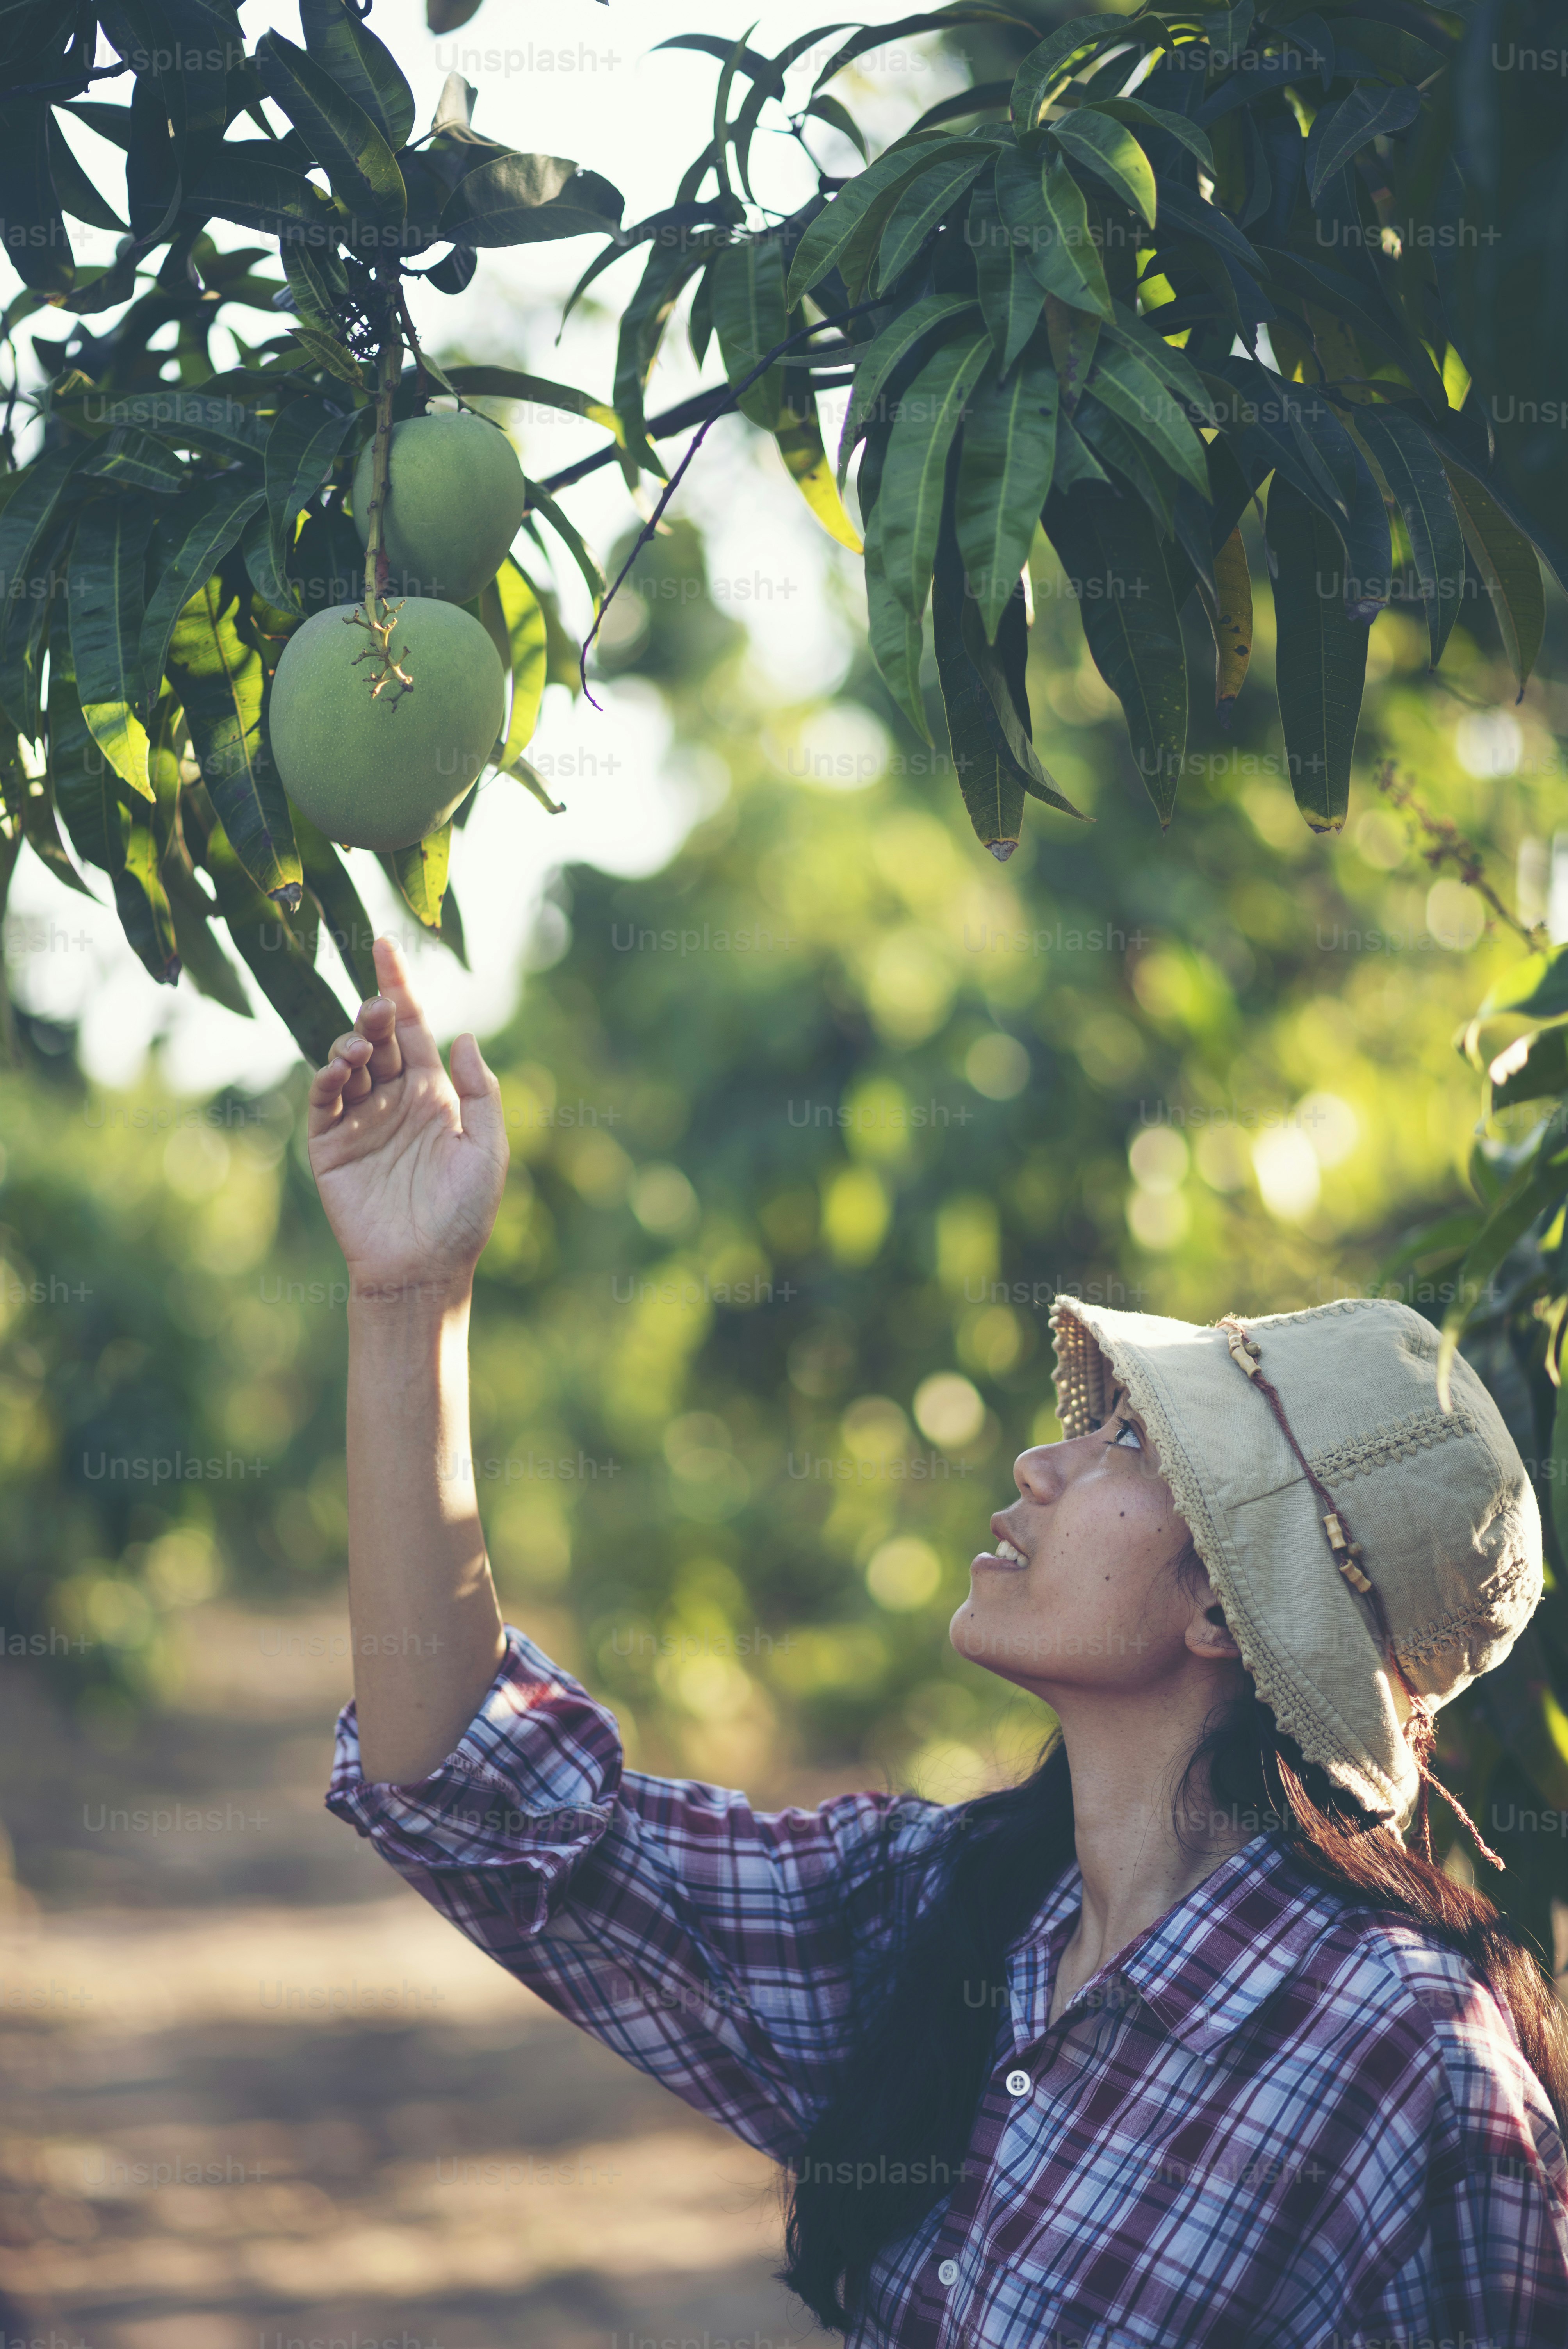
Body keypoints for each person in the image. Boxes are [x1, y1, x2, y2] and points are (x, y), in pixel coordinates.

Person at [311, 936, 1568, 2348]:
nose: (1043, 1463)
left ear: (1231, 1609)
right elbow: (480, 1795)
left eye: (1131, 1447)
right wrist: (408, 1299)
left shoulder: (1408, 2066)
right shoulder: (951, 1916)